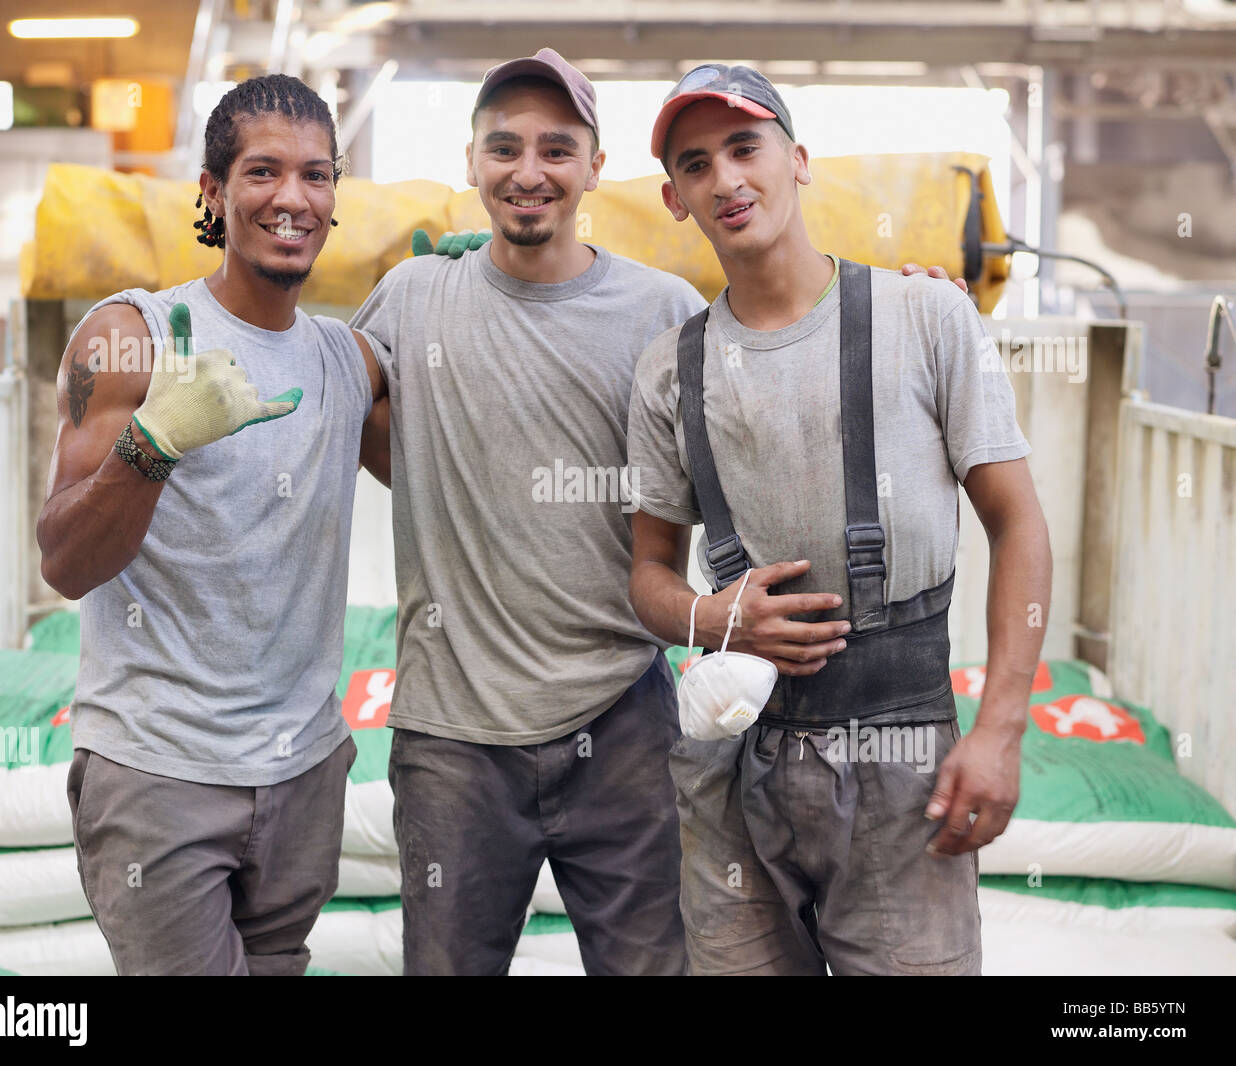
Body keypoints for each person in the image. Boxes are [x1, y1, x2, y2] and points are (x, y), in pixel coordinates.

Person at [351, 48, 968, 976]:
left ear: (596, 169)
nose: (529, 171)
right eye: (504, 147)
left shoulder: (664, 316)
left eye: (558, 148)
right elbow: (332, 402)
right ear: (471, 162)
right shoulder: (413, 296)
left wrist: (922, 306)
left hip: (627, 725)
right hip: (453, 741)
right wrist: (439, 476)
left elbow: (792, 366)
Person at [626, 64, 1052, 975]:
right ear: (674, 197)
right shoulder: (670, 370)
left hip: (906, 765)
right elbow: (649, 576)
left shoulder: (928, 314)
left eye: (747, 148)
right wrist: (713, 617)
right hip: (735, 767)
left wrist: (1000, 729)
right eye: (697, 165)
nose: (728, 181)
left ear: (799, 160)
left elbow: (1018, 525)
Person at [36, 74, 384, 976]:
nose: (292, 198)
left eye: (317, 175)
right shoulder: (136, 337)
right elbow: (65, 561)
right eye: (263, 172)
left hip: (304, 767)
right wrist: (154, 443)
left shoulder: (347, 364)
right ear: (212, 192)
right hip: (159, 772)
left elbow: (464, 479)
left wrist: (487, 282)